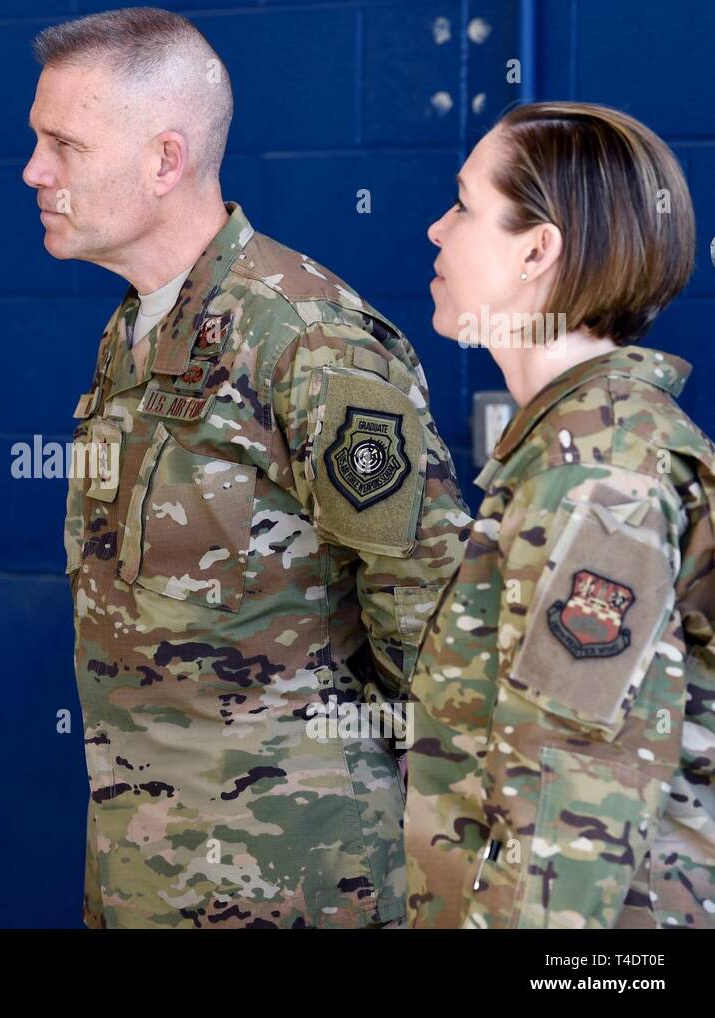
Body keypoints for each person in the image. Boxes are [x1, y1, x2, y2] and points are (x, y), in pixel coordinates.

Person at [24, 7, 470, 928]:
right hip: (146, 859)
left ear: (164, 159)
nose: (35, 170)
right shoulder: (139, 329)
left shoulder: (308, 341)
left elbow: (428, 626)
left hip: (298, 877)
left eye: (62, 143)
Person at [406, 101, 715, 929]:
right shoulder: (584, 441)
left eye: (464, 207)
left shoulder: (597, 470)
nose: (437, 230)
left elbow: (571, 814)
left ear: (538, 250)